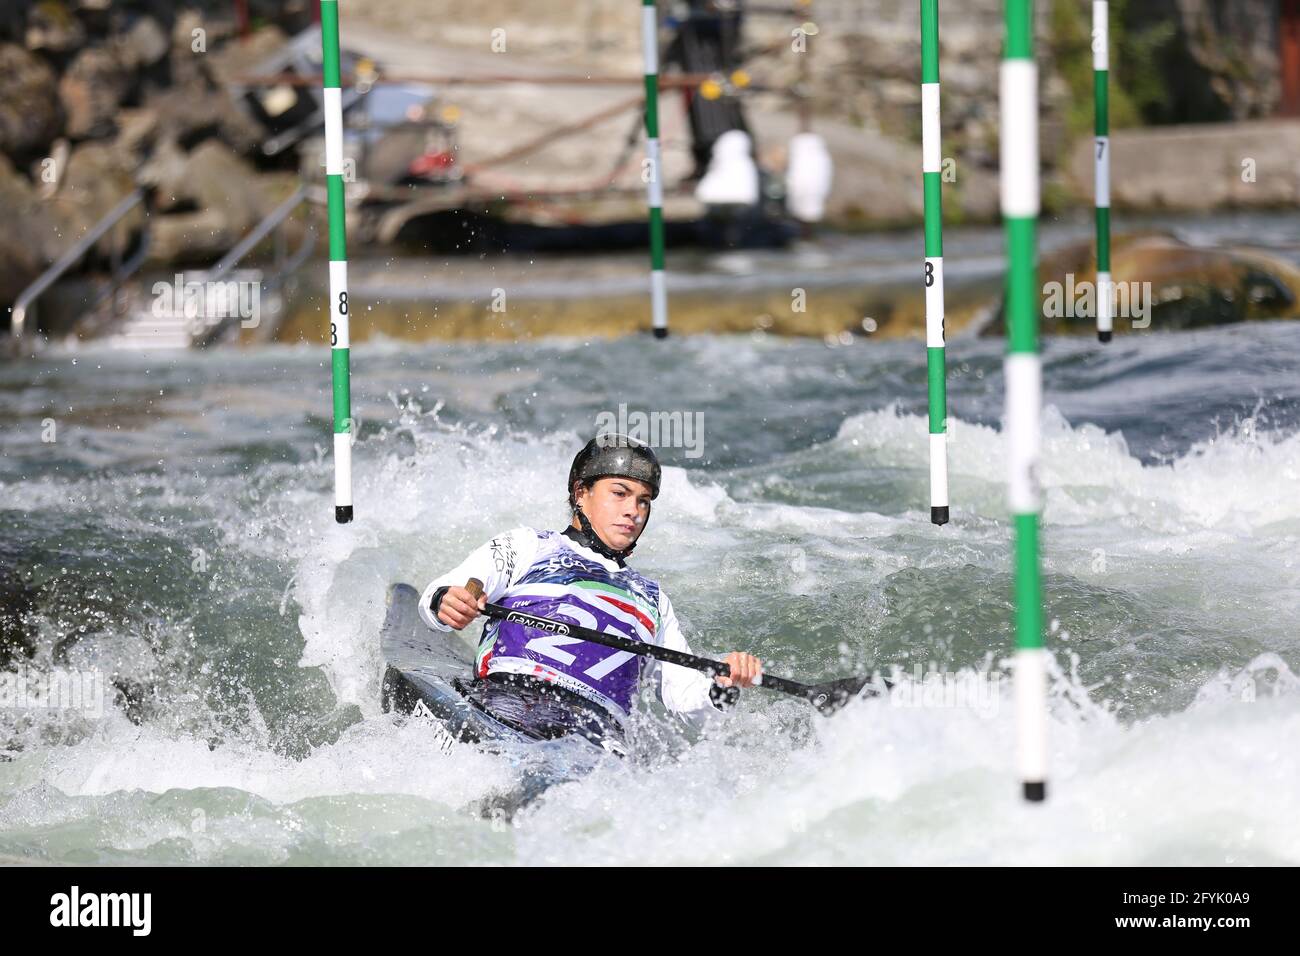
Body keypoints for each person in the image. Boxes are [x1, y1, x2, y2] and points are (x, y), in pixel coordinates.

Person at [418, 434, 763, 748]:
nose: (633, 511)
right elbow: (447, 591)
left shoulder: (653, 599)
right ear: (581, 492)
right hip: (505, 705)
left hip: (597, 739)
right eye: (619, 493)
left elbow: (689, 700)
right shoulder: (528, 545)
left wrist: (723, 684)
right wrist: (447, 601)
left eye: (644, 501)